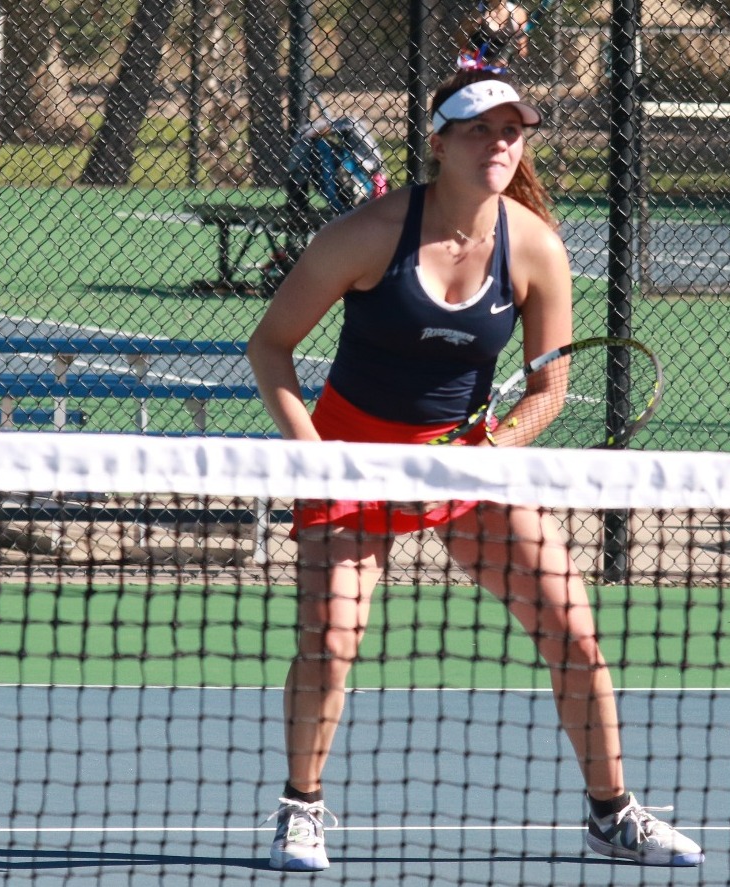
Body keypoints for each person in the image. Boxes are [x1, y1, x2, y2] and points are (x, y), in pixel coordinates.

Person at [246, 68, 703, 871]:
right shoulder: (365, 234)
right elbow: (270, 346)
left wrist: (490, 451)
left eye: (512, 130)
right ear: (439, 143)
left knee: (574, 628)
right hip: (352, 463)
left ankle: (612, 813)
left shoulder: (535, 247)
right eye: (480, 129)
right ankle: (302, 807)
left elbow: (549, 386)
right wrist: (315, 457)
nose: (499, 142)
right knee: (331, 639)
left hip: (467, 468)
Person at [456, 0, 529, 66]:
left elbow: (522, 48)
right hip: (474, 48)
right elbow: (463, 33)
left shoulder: (518, 13)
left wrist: (506, 58)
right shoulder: (481, 7)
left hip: (497, 55)